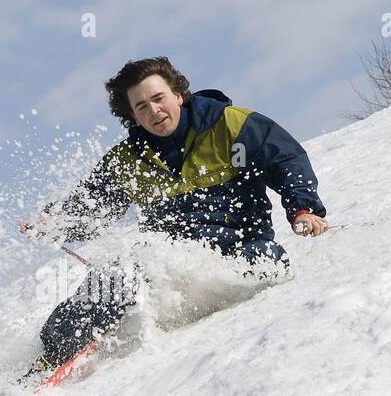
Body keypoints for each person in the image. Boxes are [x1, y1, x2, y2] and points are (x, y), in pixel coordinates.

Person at [18, 56, 328, 377]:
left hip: (240, 250)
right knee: (115, 278)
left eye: (158, 98)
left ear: (178, 94)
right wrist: (53, 222)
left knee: (267, 263)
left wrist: (302, 208)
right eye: (141, 107)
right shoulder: (128, 161)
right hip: (170, 266)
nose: (153, 110)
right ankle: (51, 357)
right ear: (132, 116)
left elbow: (285, 160)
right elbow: (94, 204)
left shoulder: (229, 124)